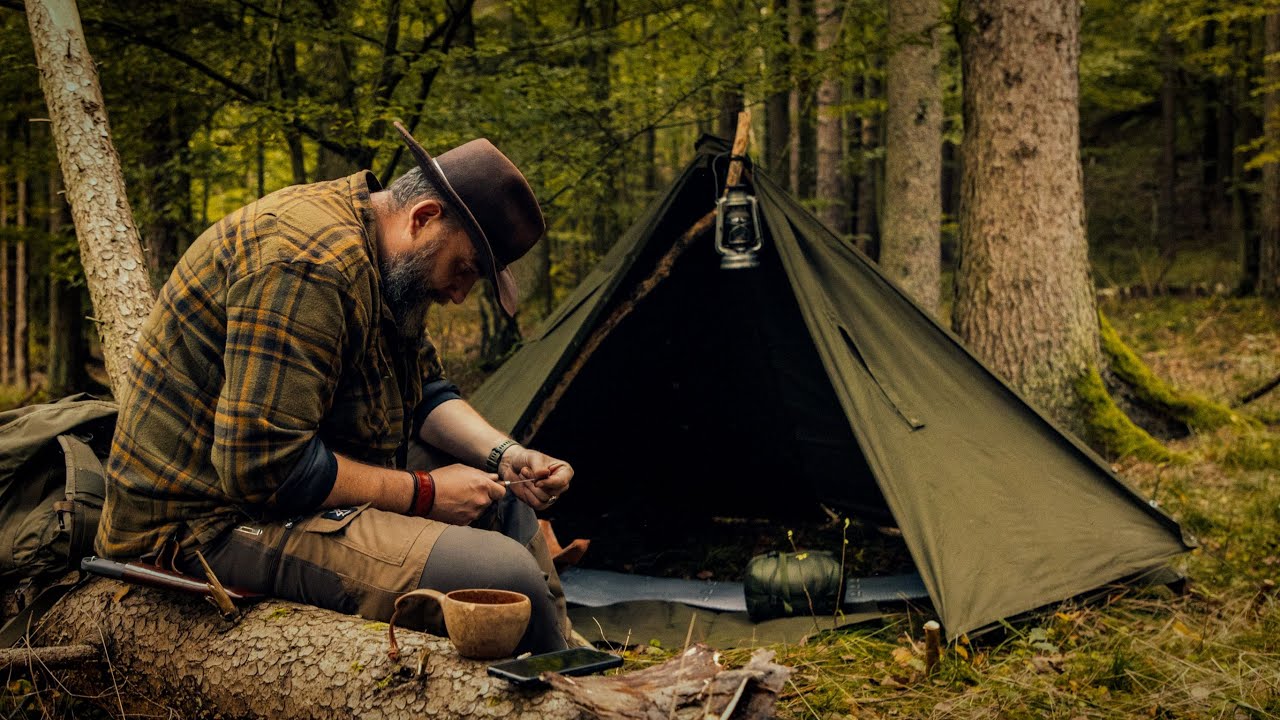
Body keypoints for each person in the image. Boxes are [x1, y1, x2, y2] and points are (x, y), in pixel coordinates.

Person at [95, 122, 574, 653]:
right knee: (504, 578)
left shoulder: (391, 264)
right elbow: (261, 465)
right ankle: (554, 689)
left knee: (505, 503)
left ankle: (572, 663)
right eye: (464, 269)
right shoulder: (309, 263)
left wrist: (506, 454)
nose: (461, 294)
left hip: (285, 480)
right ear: (423, 218)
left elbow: (427, 392)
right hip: (203, 522)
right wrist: (426, 494)